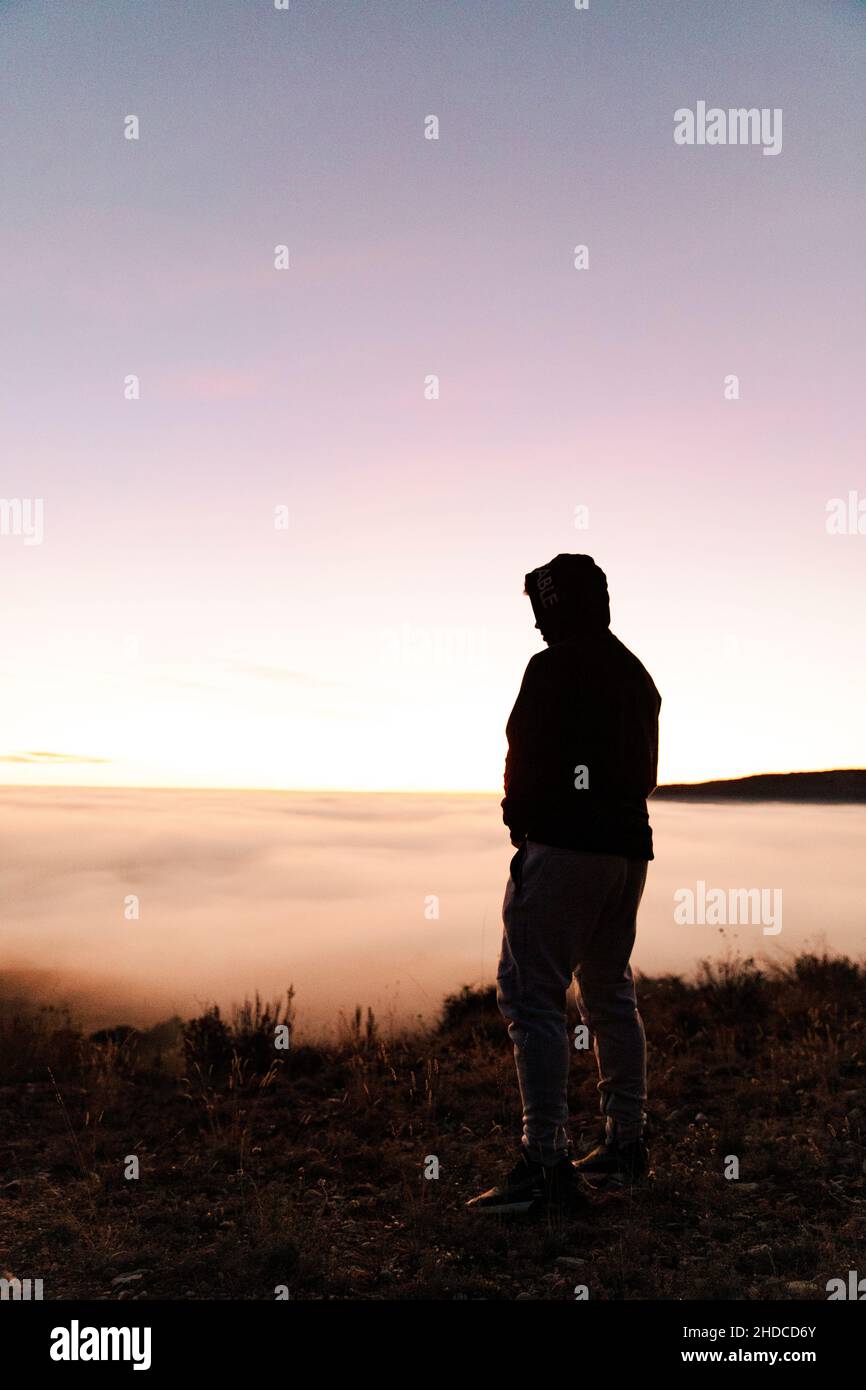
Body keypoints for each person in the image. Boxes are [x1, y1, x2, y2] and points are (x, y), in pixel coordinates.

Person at [467, 554, 661, 1216]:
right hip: (626, 853)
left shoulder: (552, 668)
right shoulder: (636, 675)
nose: (537, 625)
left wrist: (523, 827)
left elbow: (523, 754)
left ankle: (546, 1167)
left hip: (565, 852)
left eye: (541, 610)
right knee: (610, 992)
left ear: (558, 606)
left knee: (533, 997)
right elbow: (642, 775)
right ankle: (625, 1145)